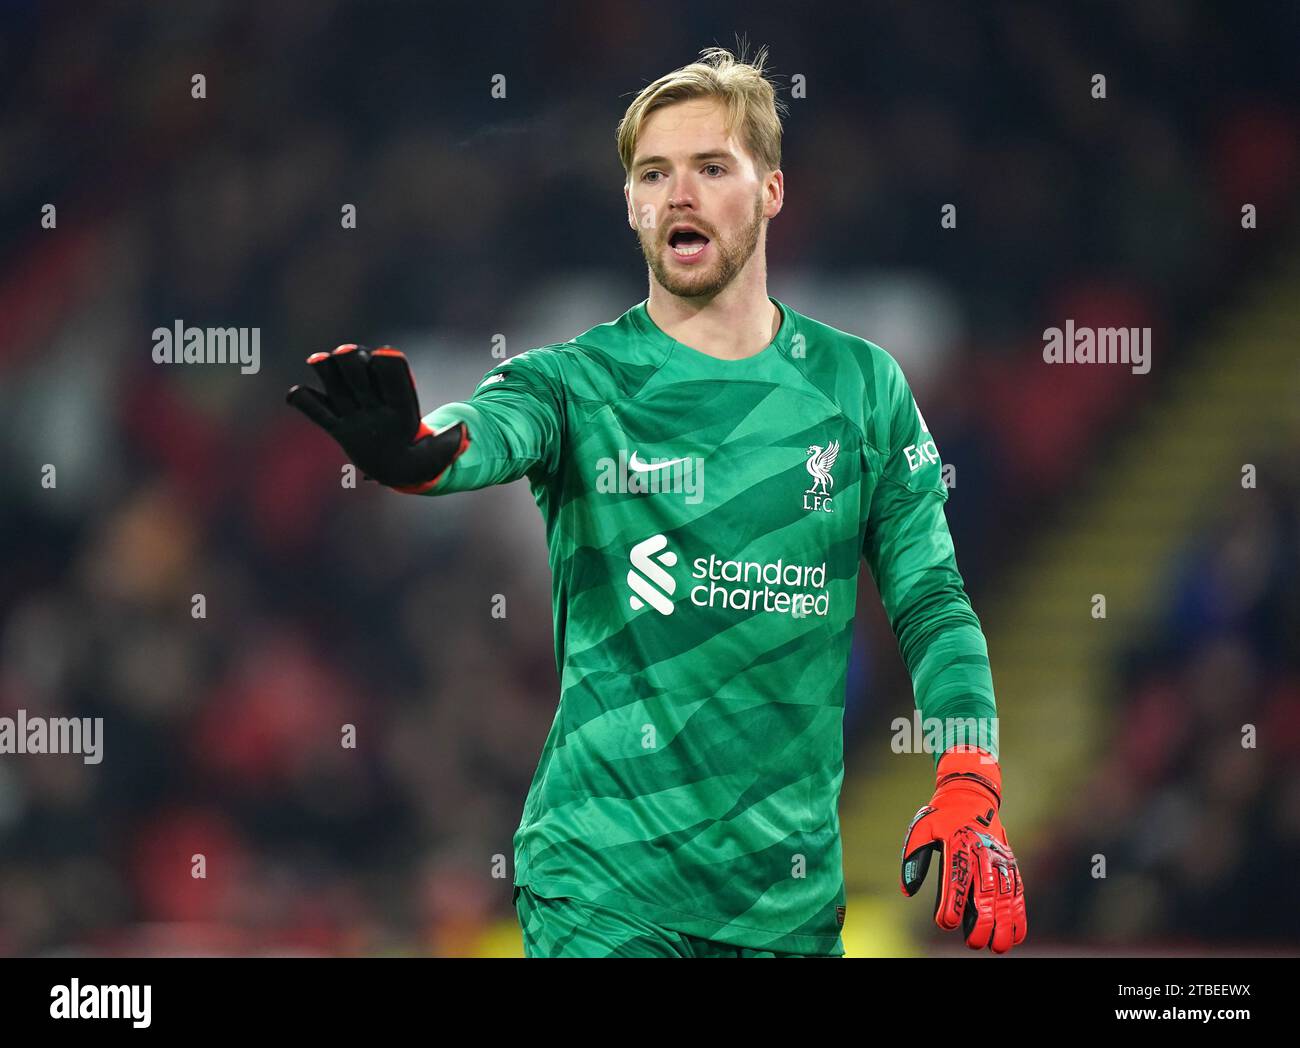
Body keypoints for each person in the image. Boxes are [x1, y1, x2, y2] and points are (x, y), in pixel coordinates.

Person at [286, 45, 1026, 958]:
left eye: (713, 167)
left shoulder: (862, 388)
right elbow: (477, 434)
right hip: (604, 891)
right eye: (654, 173)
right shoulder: (575, 381)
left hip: (787, 907)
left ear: (772, 191)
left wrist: (970, 779)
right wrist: (412, 454)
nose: (680, 193)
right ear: (633, 205)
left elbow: (932, 601)